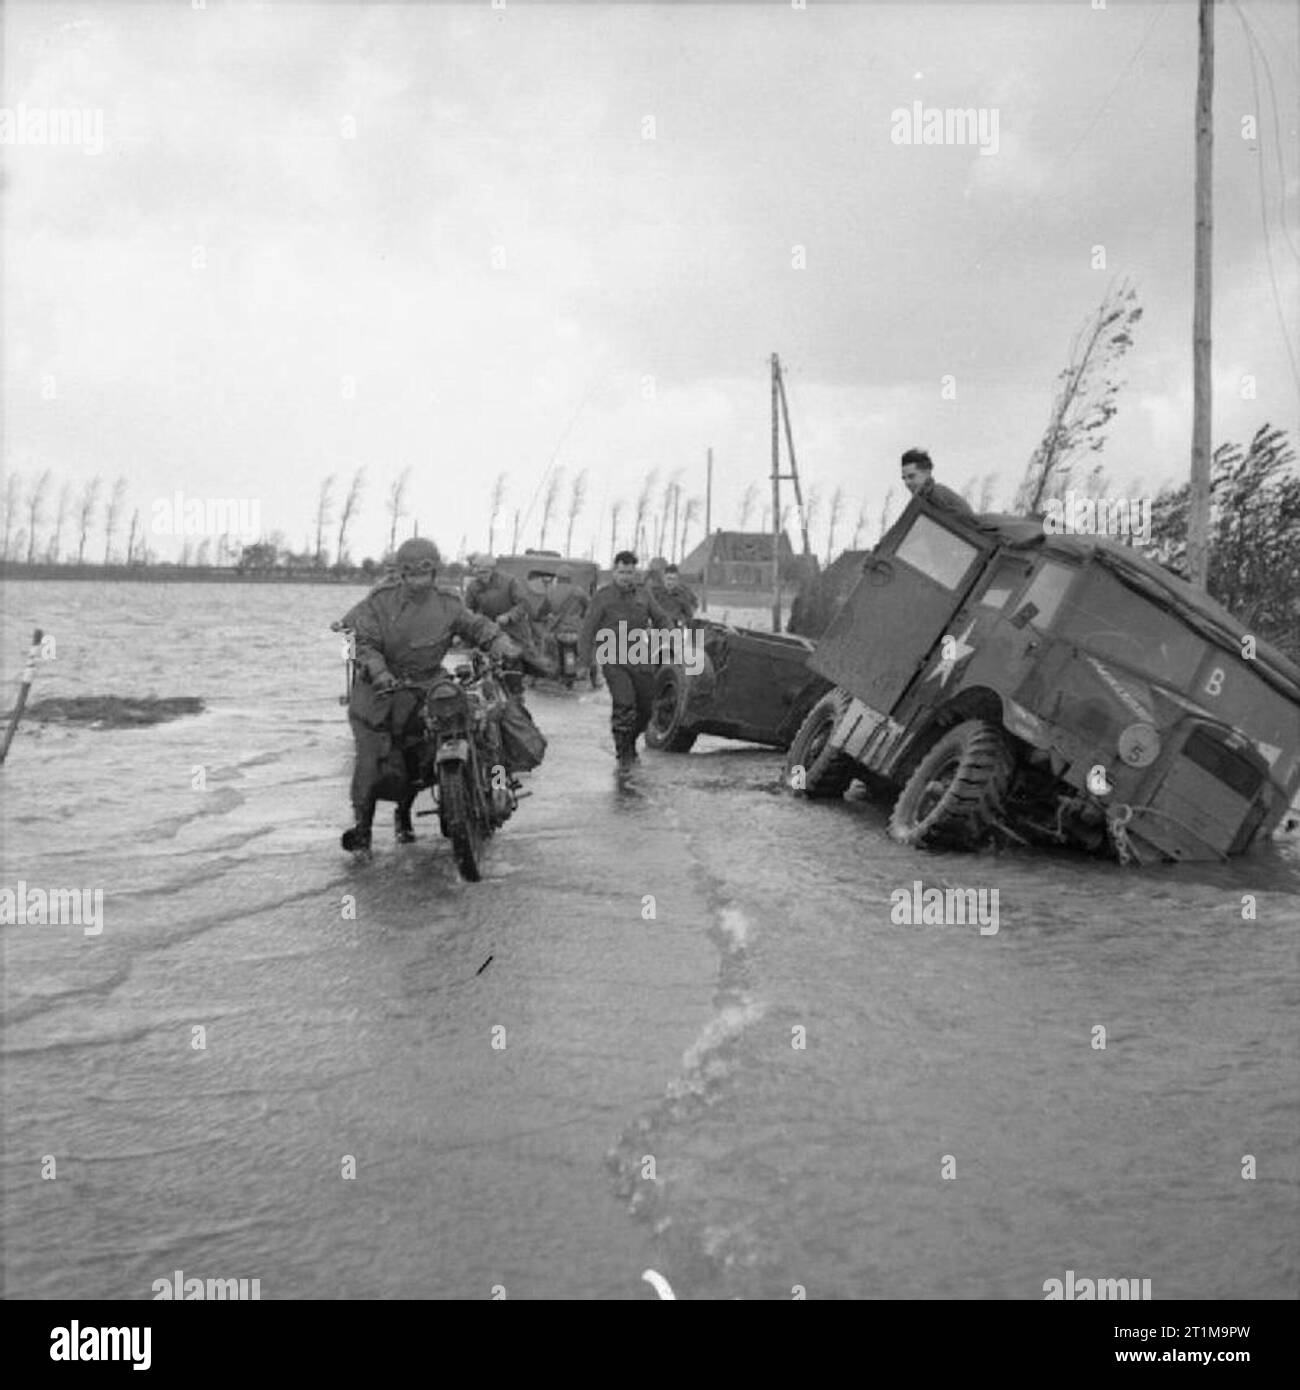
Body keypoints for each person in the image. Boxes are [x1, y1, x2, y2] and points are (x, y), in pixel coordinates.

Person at [337, 537, 526, 855]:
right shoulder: (378, 602)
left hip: (428, 684)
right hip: (380, 691)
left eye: (424, 575)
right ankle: (363, 828)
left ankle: (486, 788)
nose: (418, 582)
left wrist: (499, 644)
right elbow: (361, 642)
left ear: (435, 573)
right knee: (373, 760)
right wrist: (380, 672)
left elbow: (475, 626)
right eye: (411, 575)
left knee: (464, 726)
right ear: (400, 574)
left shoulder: (447, 602)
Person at [579, 550, 674, 768]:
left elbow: (661, 618)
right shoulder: (603, 596)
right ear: (614, 572)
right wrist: (584, 663)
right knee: (624, 704)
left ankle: (629, 741)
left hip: (641, 657)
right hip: (613, 658)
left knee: (648, 708)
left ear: (635, 573)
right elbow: (587, 630)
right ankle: (624, 754)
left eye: (630, 573)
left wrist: (667, 635)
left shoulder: (643, 594)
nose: (625, 577)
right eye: (621, 572)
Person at [464, 552, 538, 647]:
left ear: (493, 570)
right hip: (489, 632)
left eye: (485, 572)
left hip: (514, 632)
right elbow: (468, 609)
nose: (482, 576)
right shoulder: (473, 587)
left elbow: (523, 604)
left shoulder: (510, 582)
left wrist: (509, 616)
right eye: (478, 573)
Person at [899, 447, 975, 518]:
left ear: (927, 472)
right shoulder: (923, 500)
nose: (907, 483)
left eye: (911, 476)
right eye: (904, 478)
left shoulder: (936, 495)